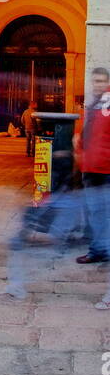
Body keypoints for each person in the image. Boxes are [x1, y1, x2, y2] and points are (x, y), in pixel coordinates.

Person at [77, 68, 110, 264]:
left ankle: (98, 251)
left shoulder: (106, 104)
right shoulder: (94, 105)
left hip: (104, 168)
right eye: (95, 81)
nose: (97, 84)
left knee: (100, 212)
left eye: (101, 81)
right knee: (95, 212)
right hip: (90, 167)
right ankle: (98, 249)